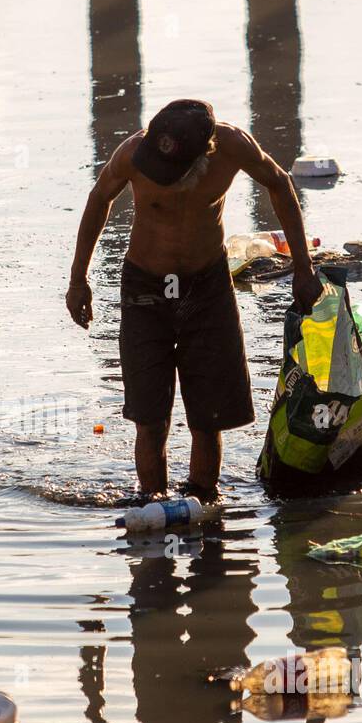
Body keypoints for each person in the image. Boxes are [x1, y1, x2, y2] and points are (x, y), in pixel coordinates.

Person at [66, 98, 321, 501]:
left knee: (209, 417)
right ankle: (153, 503)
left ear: (207, 153)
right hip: (146, 289)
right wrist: (78, 279)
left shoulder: (234, 146)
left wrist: (303, 267)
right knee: (149, 418)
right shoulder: (134, 153)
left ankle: (204, 499)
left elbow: (279, 183)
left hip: (206, 286)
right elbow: (99, 198)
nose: (162, 176)